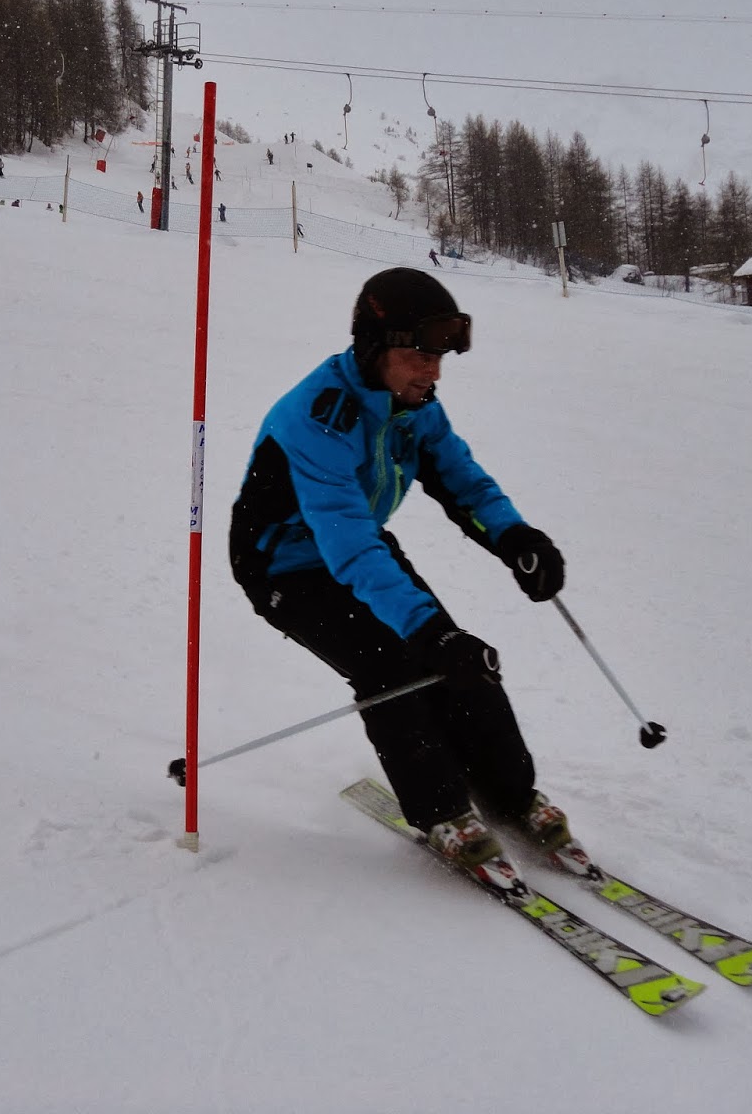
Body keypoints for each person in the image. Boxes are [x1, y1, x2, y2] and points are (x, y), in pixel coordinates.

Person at [228, 268, 575, 871]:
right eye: (418, 354)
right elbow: (349, 546)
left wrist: (516, 536)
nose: (432, 371)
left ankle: (510, 792)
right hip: (283, 564)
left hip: (358, 539)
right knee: (391, 663)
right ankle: (442, 811)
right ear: (375, 346)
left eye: (440, 357)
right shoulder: (316, 416)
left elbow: (461, 479)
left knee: (459, 660)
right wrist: (429, 634)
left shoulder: (415, 406)